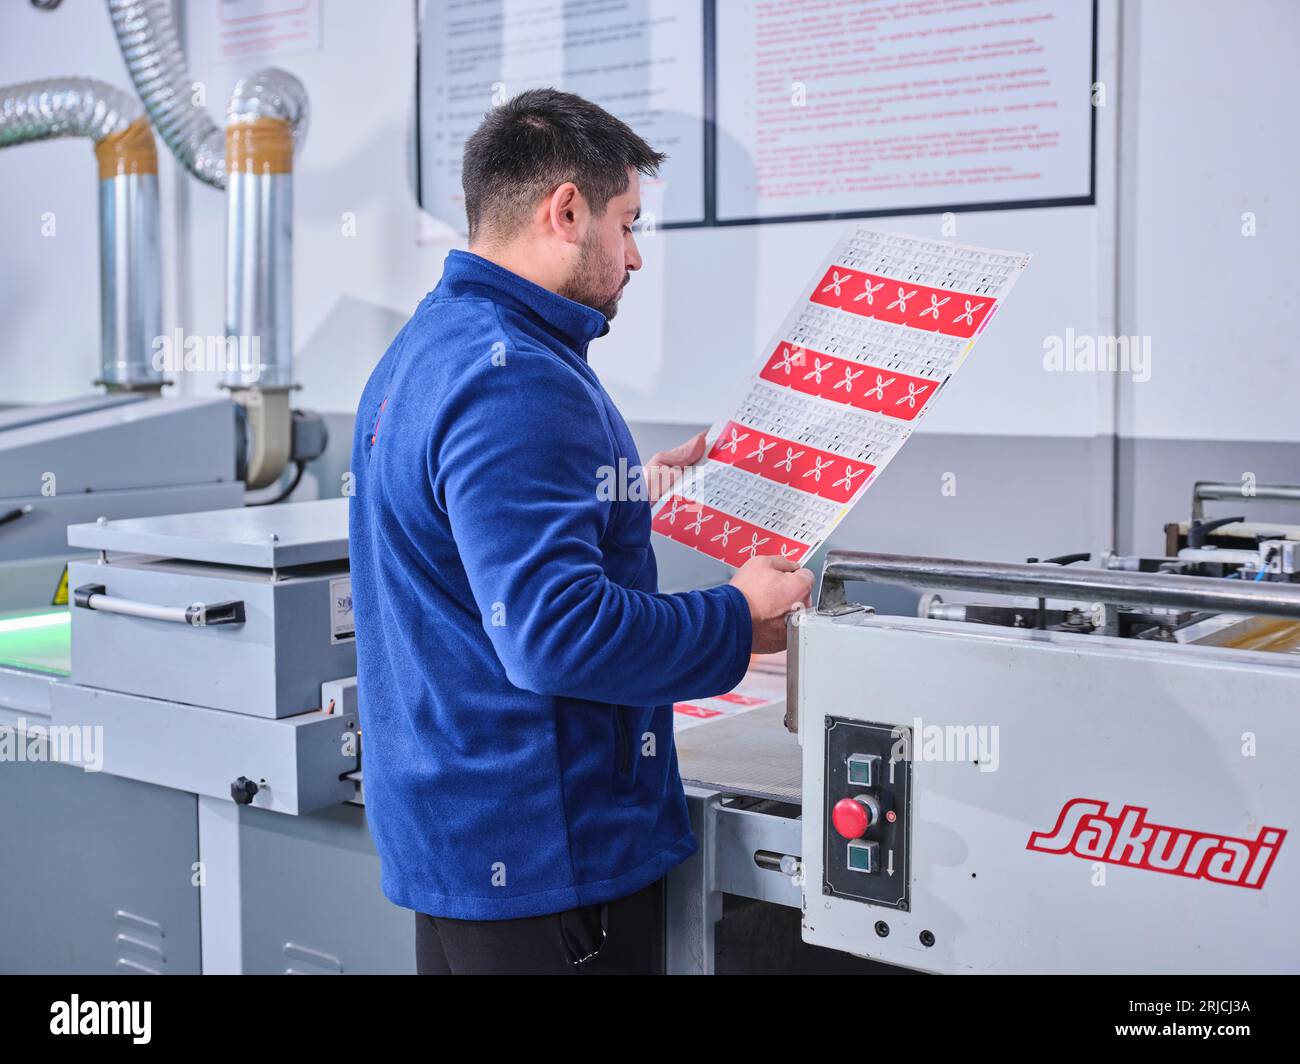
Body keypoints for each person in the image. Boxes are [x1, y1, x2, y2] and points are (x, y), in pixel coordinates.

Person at [349, 88, 812, 974]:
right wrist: (737, 618)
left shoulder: (433, 344)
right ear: (567, 209)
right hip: (547, 860)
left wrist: (618, 496)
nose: (635, 256)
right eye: (628, 223)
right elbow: (553, 634)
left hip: (463, 846)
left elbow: (464, 532)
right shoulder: (520, 378)